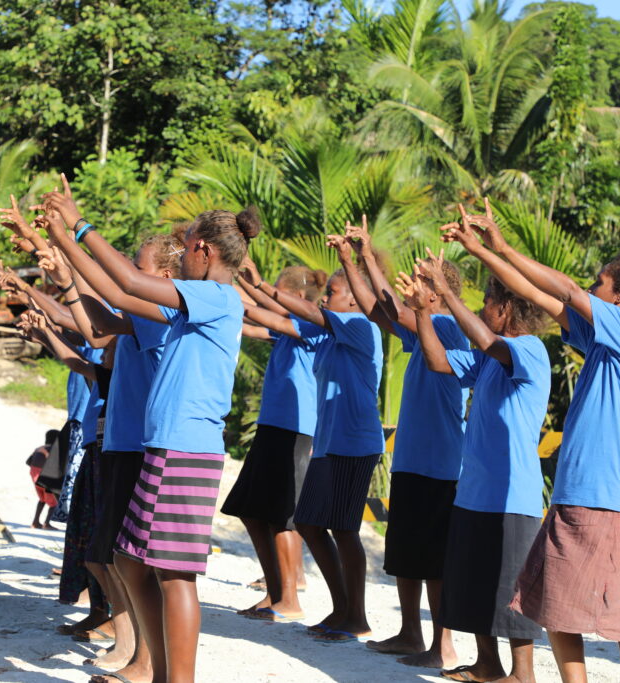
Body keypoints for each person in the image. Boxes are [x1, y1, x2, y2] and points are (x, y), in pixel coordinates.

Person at [39, 174, 257, 683]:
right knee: (129, 558)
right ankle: (158, 669)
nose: (179, 259)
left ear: (202, 249)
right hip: (166, 446)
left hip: (186, 448)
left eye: (184, 250)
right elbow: (115, 296)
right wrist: (60, 244)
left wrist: (79, 224)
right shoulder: (192, 304)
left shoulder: (219, 298)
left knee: (175, 576)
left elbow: (132, 283)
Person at [452, 201, 620, 683]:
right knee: (553, 606)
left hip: (606, 499)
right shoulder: (607, 340)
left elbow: (569, 291)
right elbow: (540, 295)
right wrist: (483, 250)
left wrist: (503, 244)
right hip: (582, 496)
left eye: (602, 283)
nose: (592, 288)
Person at [400, 241, 550, 683]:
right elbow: (437, 360)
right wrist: (423, 312)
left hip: (512, 495)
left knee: (510, 589)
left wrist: (445, 294)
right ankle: (488, 665)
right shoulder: (486, 360)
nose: (484, 310)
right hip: (475, 491)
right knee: (472, 581)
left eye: (488, 303)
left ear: (506, 309)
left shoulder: (530, 350)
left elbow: (486, 340)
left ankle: (523, 674)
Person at [41, 229, 184, 679]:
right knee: (115, 557)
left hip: (138, 445)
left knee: (133, 561)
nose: (132, 276)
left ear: (163, 275)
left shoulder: (162, 311)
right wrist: (61, 273)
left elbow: (101, 312)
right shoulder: (144, 316)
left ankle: (144, 659)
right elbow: (96, 320)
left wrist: (69, 238)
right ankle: (140, 655)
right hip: (119, 443)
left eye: (140, 267)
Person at [333, 216, 467, 668]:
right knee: (407, 554)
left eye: (422, 283)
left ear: (439, 294)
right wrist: (354, 259)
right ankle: (411, 634)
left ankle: (441, 643)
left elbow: (393, 307)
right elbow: (378, 309)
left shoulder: (449, 328)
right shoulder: (426, 326)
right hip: (412, 460)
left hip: (441, 465)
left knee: (434, 559)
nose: (413, 287)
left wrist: (369, 257)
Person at [257, 237, 383, 643]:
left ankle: (356, 616)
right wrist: (250, 288)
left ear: (356, 298)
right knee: (310, 522)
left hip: (355, 443)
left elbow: (305, 310)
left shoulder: (363, 327)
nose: (326, 296)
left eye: (333, 291)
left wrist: (263, 287)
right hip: (330, 443)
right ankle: (342, 607)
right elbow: (279, 321)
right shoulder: (330, 333)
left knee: (345, 529)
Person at [223, 262, 324, 623]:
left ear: (297, 298)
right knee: (252, 510)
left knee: (283, 516)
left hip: (297, 429)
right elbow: (253, 323)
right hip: (273, 425)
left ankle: (290, 597)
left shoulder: (313, 325)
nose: (268, 296)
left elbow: (260, 311)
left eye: (275, 293)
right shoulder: (288, 330)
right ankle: (275, 591)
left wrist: (227, 287)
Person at [28, 430, 62, 529]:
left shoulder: (39, 448)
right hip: (46, 477)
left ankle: (35, 522)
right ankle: (47, 523)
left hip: (35, 477)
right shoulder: (54, 449)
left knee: (42, 499)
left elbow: (28, 462)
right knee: (55, 501)